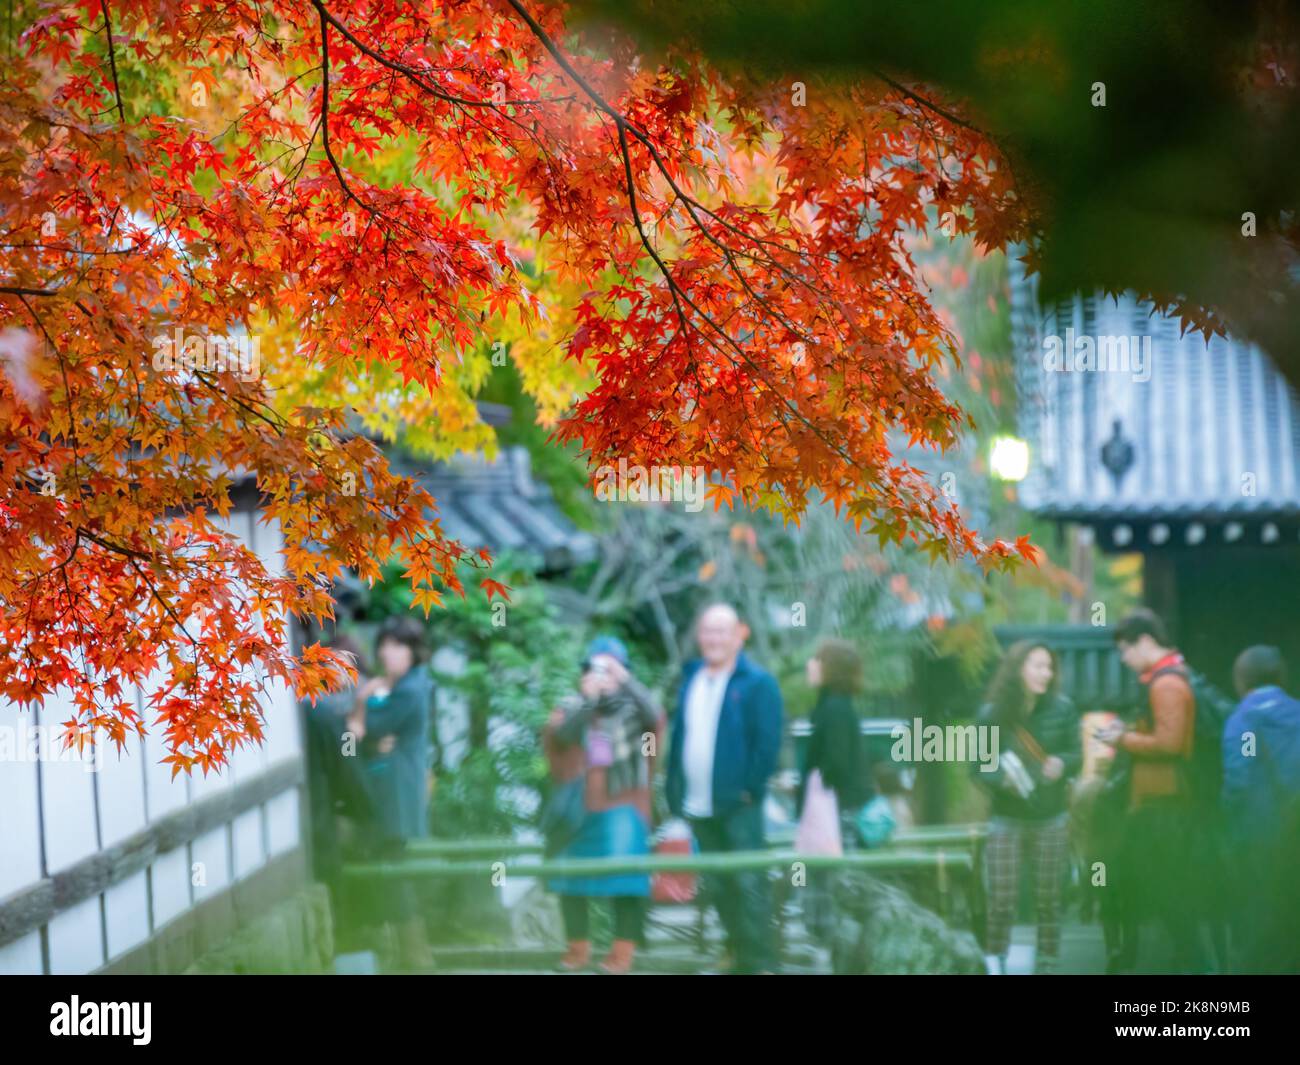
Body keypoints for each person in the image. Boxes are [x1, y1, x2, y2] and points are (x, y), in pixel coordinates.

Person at [665, 603, 784, 974]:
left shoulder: (758, 683)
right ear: (700, 636)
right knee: (718, 885)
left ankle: (761, 961)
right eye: (708, 631)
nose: (714, 638)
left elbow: (768, 744)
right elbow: (679, 738)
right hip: (698, 804)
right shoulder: (692, 679)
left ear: (739, 634)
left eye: (722, 631)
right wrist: (674, 789)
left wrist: (750, 788)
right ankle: (734, 953)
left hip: (740, 804)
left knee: (749, 883)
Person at [543, 636, 663, 974]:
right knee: (571, 879)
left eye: (613, 669)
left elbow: (654, 722)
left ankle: (622, 954)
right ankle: (577, 949)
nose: (604, 675)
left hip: (623, 803)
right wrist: (588, 701)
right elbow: (562, 738)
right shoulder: (571, 705)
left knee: (627, 880)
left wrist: (626, 684)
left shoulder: (636, 710)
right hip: (578, 808)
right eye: (596, 668)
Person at [1098, 609, 1205, 973]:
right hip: (1158, 803)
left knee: (1166, 891)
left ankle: (1191, 962)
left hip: (1164, 806)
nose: (1125, 659)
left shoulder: (1167, 683)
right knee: (1153, 888)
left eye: (1126, 650)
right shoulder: (1169, 677)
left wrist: (1123, 738)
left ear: (1145, 642)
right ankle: (1174, 959)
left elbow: (1170, 743)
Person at [975, 641, 1081, 975]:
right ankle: (996, 961)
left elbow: (1076, 754)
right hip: (1006, 817)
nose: (1045, 673)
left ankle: (1048, 962)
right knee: (1001, 900)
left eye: (1049, 667)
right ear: (1018, 668)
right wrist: (1000, 779)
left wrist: (1062, 764)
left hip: (1051, 816)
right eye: (1037, 665)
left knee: (1049, 899)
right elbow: (978, 766)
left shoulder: (1063, 709)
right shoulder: (992, 714)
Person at [348, 616, 434, 969]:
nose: (386, 652)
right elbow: (373, 737)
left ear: (413, 652)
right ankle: (405, 955)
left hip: (396, 793)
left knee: (393, 871)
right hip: (397, 788)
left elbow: (368, 730)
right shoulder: (404, 685)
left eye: (397, 645)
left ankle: (414, 956)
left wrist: (360, 707)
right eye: (384, 644)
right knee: (389, 869)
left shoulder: (409, 688)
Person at [1221, 645, 1300, 971]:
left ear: (1241, 681)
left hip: (1257, 836)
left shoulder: (1242, 720)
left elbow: (1237, 780)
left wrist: (1226, 824)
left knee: (1258, 916)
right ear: (1281, 677)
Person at [797, 638, 873, 942]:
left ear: (831, 668)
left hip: (836, 815)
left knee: (833, 888)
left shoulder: (835, 709)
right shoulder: (835, 706)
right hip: (839, 812)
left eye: (817, 659)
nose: (810, 664)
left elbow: (836, 765)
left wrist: (816, 782)